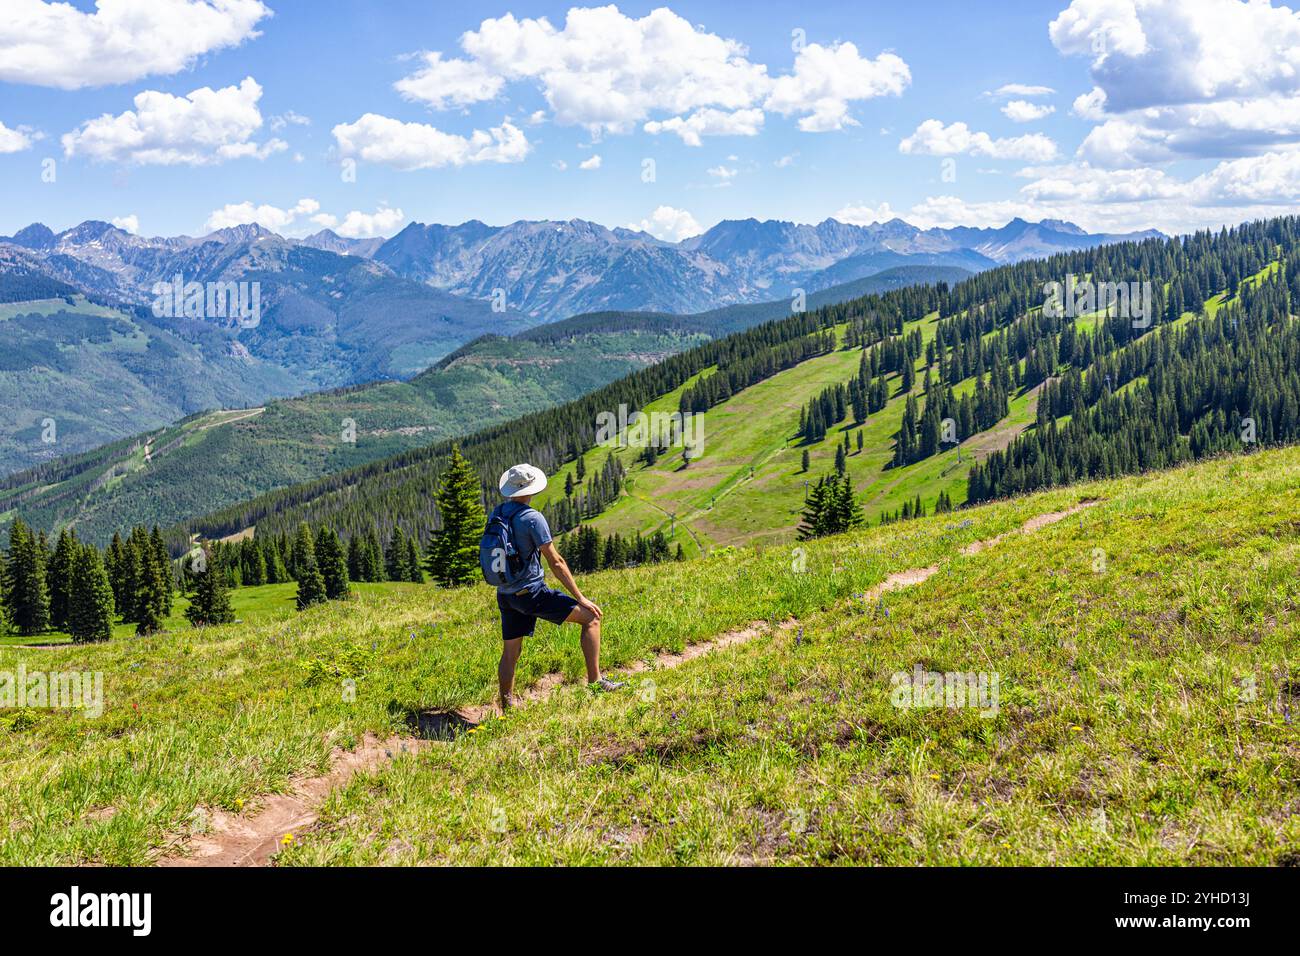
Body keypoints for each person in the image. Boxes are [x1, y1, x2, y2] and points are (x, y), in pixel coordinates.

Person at [491, 463, 624, 711]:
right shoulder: (532, 518)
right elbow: (556, 561)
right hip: (531, 593)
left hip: (506, 594)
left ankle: (507, 708)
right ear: (531, 489)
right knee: (591, 618)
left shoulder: (498, 513)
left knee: (511, 652)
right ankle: (596, 682)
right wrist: (581, 597)